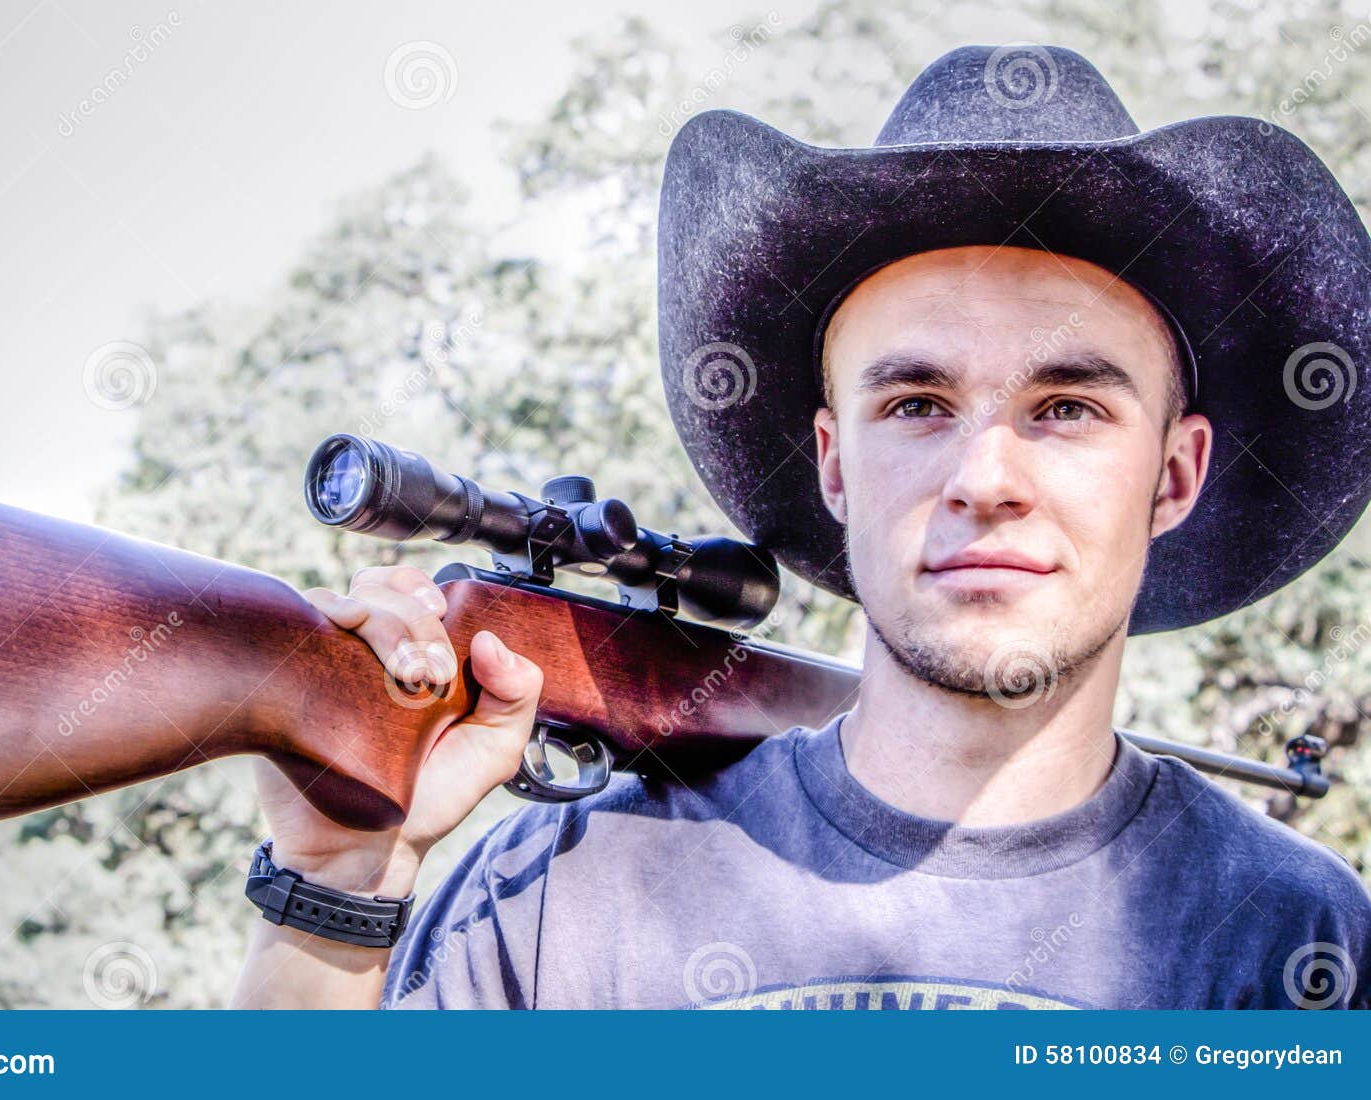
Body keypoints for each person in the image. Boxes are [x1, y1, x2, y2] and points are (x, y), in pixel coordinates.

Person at [232, 45, 1371, 1009]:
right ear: (833, 463)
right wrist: (334, 883)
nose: (985, 478)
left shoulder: (1298, 937)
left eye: (1066, 408)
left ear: (1173, 474)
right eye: (916, 404)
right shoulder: (556, 888)